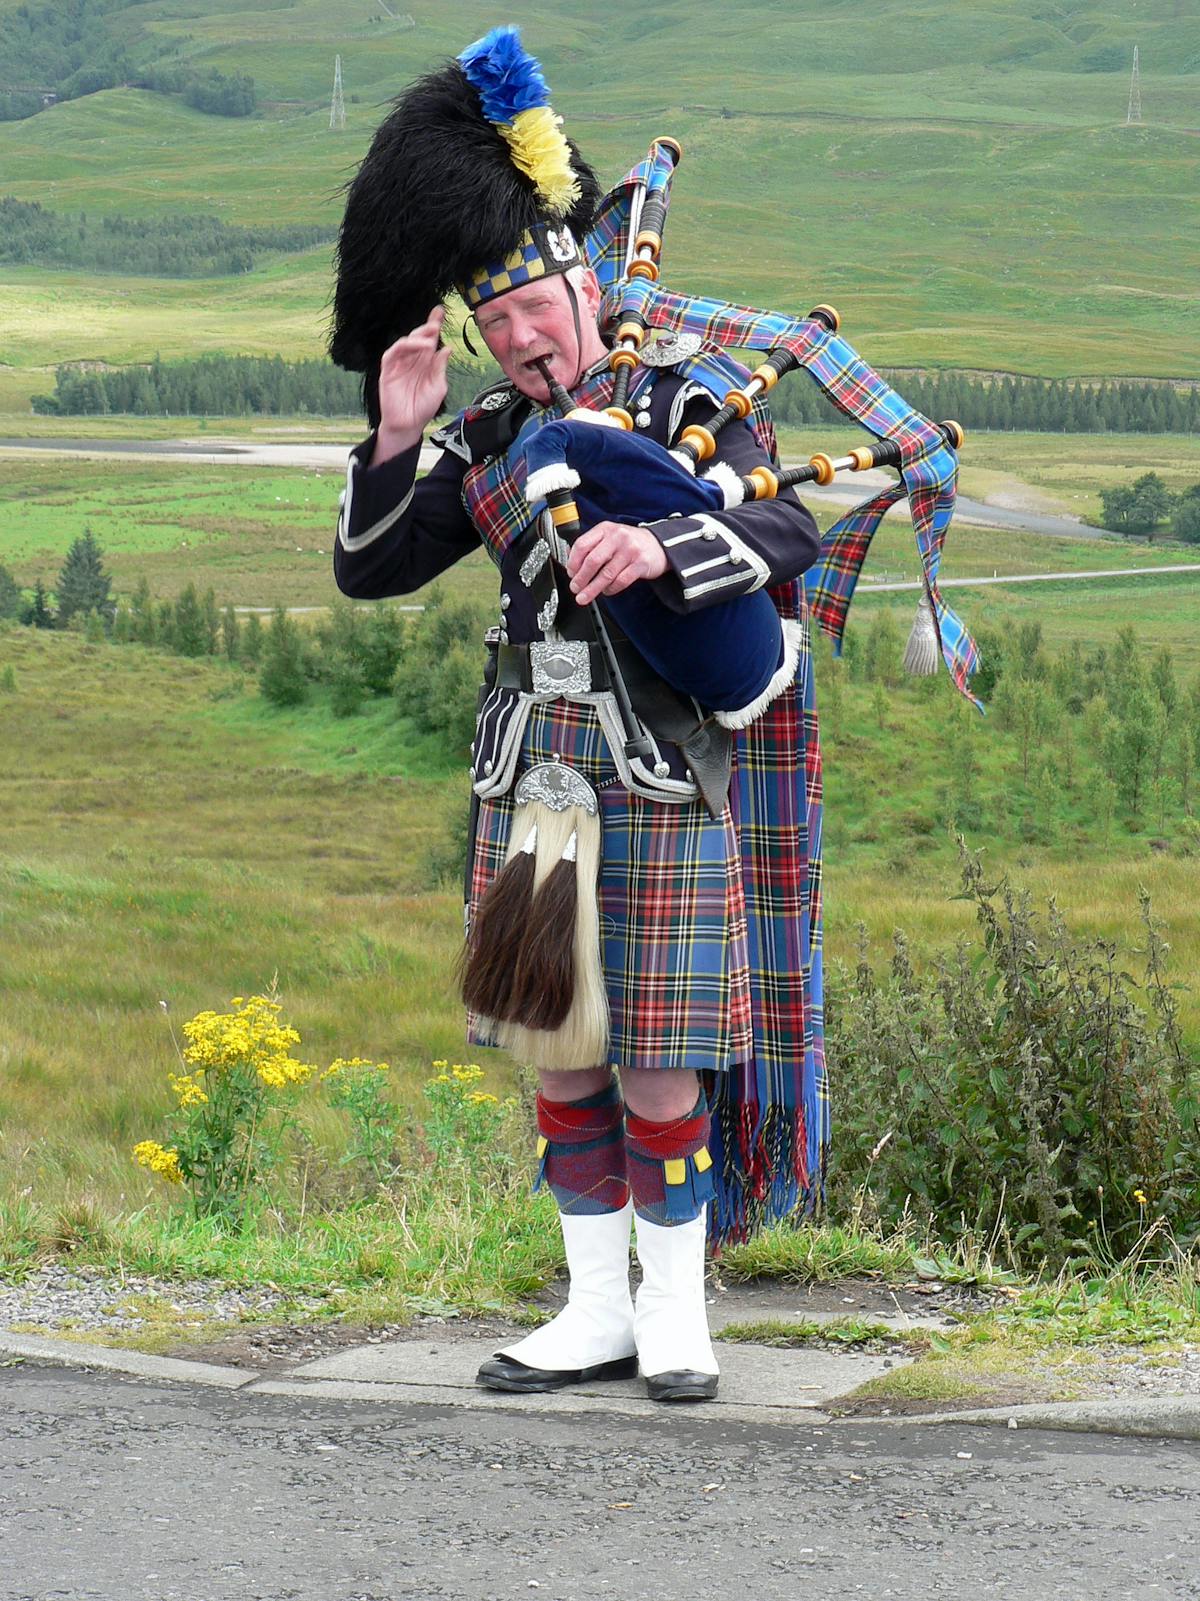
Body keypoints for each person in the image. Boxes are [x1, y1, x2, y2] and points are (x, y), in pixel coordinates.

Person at [330, 27, 825, 1403]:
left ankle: (676, 1316)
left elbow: (786, 527)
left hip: (656, 770)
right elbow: (372, 567)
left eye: (536, 309)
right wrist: (398, 432)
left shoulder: (685, 401)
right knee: (558, 1051)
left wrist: (663, 544)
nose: (521, 338)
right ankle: (594, 1308)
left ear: (583, 282)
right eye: (495, 325)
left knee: (660, 1068)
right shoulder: (492, 437)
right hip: (531, 771)